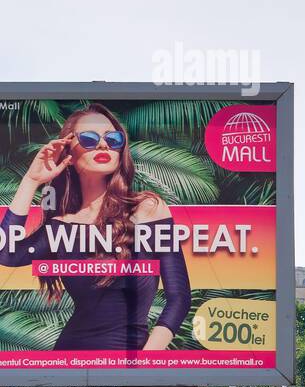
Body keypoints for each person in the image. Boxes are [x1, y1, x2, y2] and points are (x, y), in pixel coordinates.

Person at [0, 103, 191, 351]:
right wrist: (31, 180)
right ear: (68, 153)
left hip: (132, 364)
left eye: (113, 139)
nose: (103, 145)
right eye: (89, 139)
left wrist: (147, 362)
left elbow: (179, 298)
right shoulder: (60, 226)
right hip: (69, 360)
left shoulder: (146, 209)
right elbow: (7, 253)